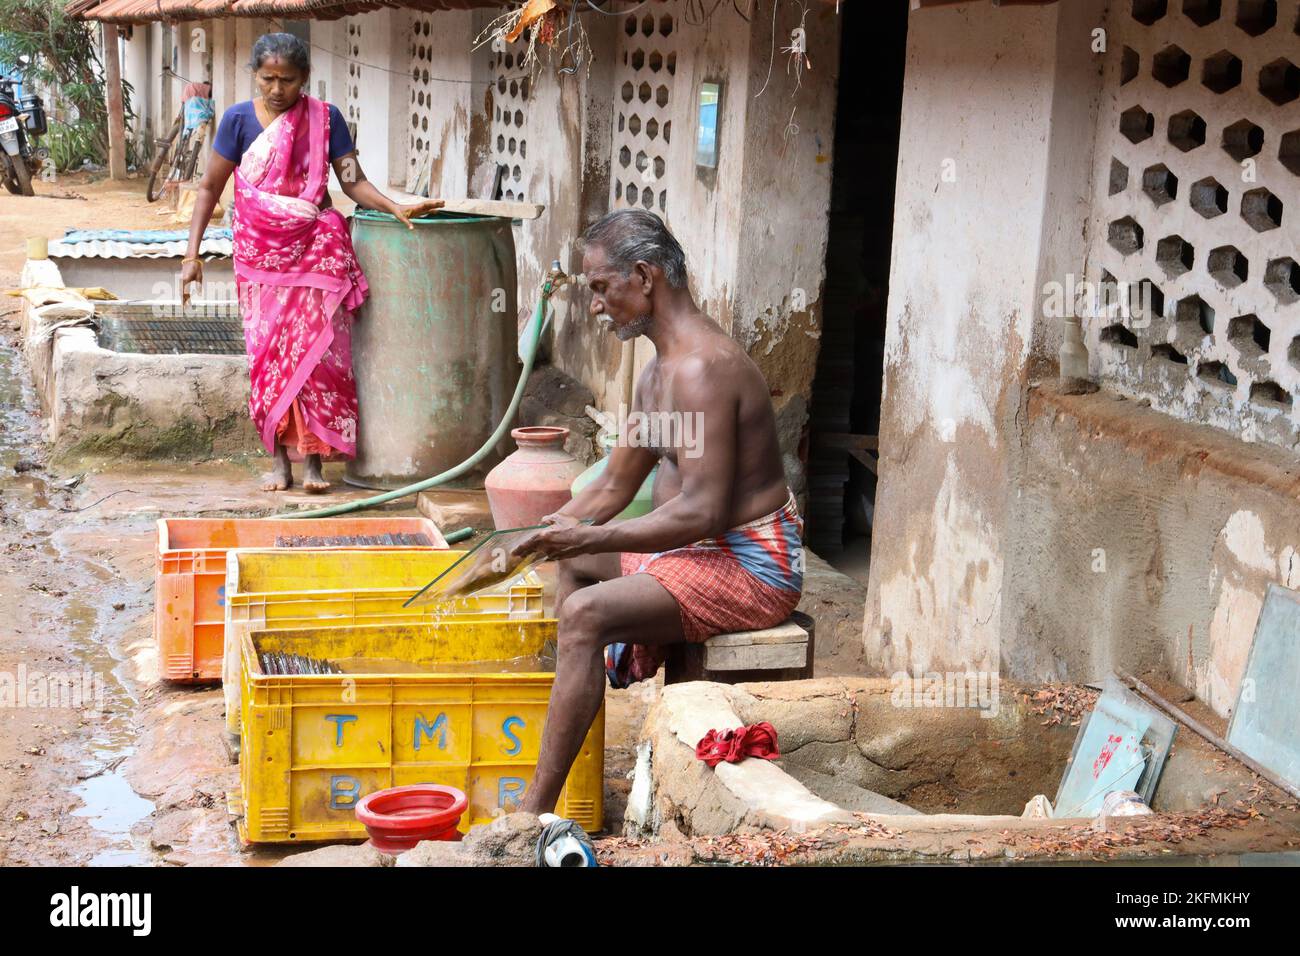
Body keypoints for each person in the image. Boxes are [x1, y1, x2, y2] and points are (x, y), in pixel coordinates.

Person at [515, 210, 805, 816]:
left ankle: (529, 814)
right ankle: (576, 789)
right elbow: (614, 484)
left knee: (586, 613)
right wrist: (529, 538)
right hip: (693, 552)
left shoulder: (703, 370)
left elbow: (701, 511)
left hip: (751, 567)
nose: (595, 305)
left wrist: (587, 538)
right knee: (574, 575)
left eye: (600, 287)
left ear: (644, 276)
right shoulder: (656, 374)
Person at [179, 32, 442, 492]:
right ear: (255, 76)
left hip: (316, 251)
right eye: (268, 79)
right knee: (269, 356)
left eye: (288, 80)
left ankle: (316, 464)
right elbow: (209, 189)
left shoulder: (325, 118)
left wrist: (393, 204)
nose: (277, 90)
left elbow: (352, 181)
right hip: (260, 254)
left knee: (320, 353)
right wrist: (191, 255)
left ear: (305, 78)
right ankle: (280, 461)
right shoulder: (237, 120)